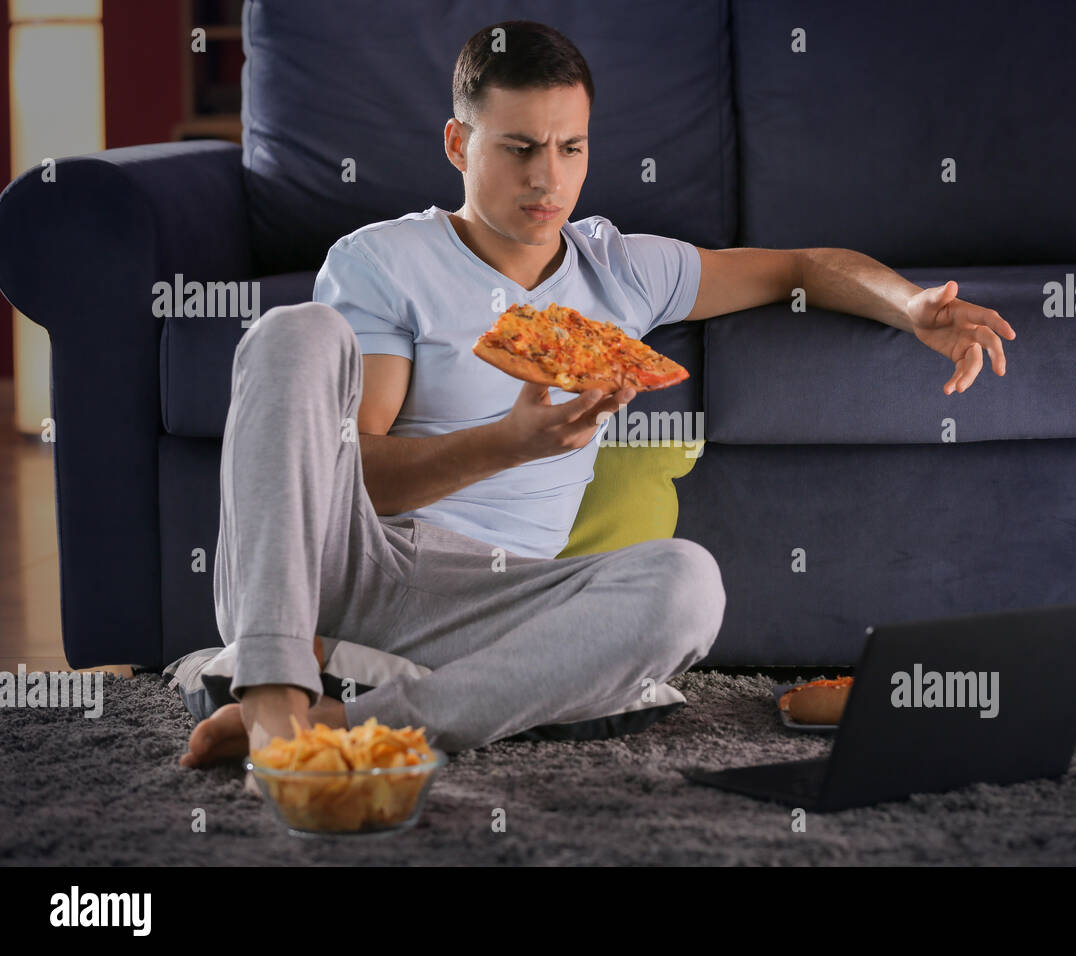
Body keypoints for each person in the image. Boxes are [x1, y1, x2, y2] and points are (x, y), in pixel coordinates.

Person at [180, 19, 1014, 768]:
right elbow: (348, 478)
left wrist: (910, 307)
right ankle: (272, 698)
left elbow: (800, 267)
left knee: (688, 584)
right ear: (457, 144)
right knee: (293, 330)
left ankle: (369, 726)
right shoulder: (382, 260)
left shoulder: (619, 270)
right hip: (346, 561)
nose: (547, 180)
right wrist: (504, 445)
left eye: (569, 148)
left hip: (491, 599)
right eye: (517, 148)